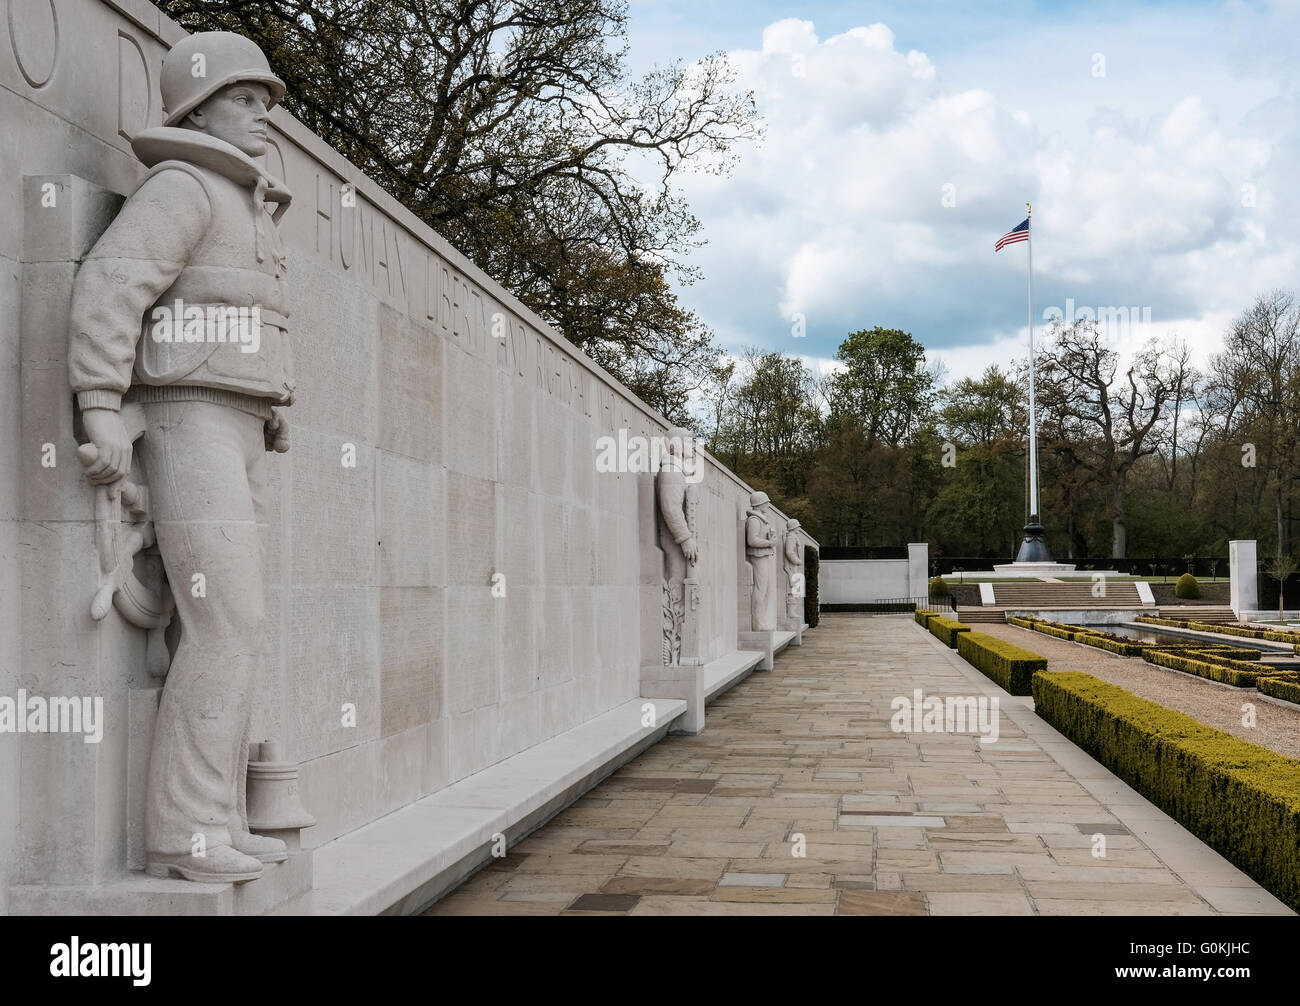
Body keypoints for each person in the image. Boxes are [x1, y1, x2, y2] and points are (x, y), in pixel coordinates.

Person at [68, 31, 294, 883]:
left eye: (266, 101)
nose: (262, 116)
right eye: (245, 99)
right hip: (185, 416)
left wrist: (276, 412)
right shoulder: (185, 185)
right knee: (226, 625)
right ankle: (185, 834)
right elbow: (109, 287)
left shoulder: (244, 199)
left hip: (237, 424)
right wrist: (97, 403)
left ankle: (216, 823)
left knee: (237, 628)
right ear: (197, 105)